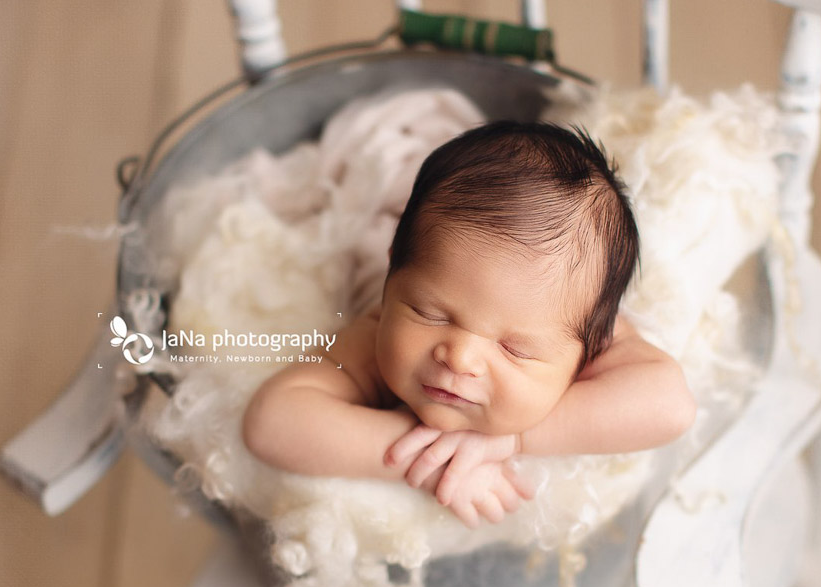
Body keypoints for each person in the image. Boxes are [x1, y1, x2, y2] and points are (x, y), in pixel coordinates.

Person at [242, 121, 696, 527]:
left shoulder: (574, 325)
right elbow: (273, 421)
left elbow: (670, 406)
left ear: (593, 343)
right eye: (431, 314)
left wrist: (514, 440)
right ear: (392, 277)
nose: (459, 358)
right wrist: (429, 457)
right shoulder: (376, 337)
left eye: (514, 349)